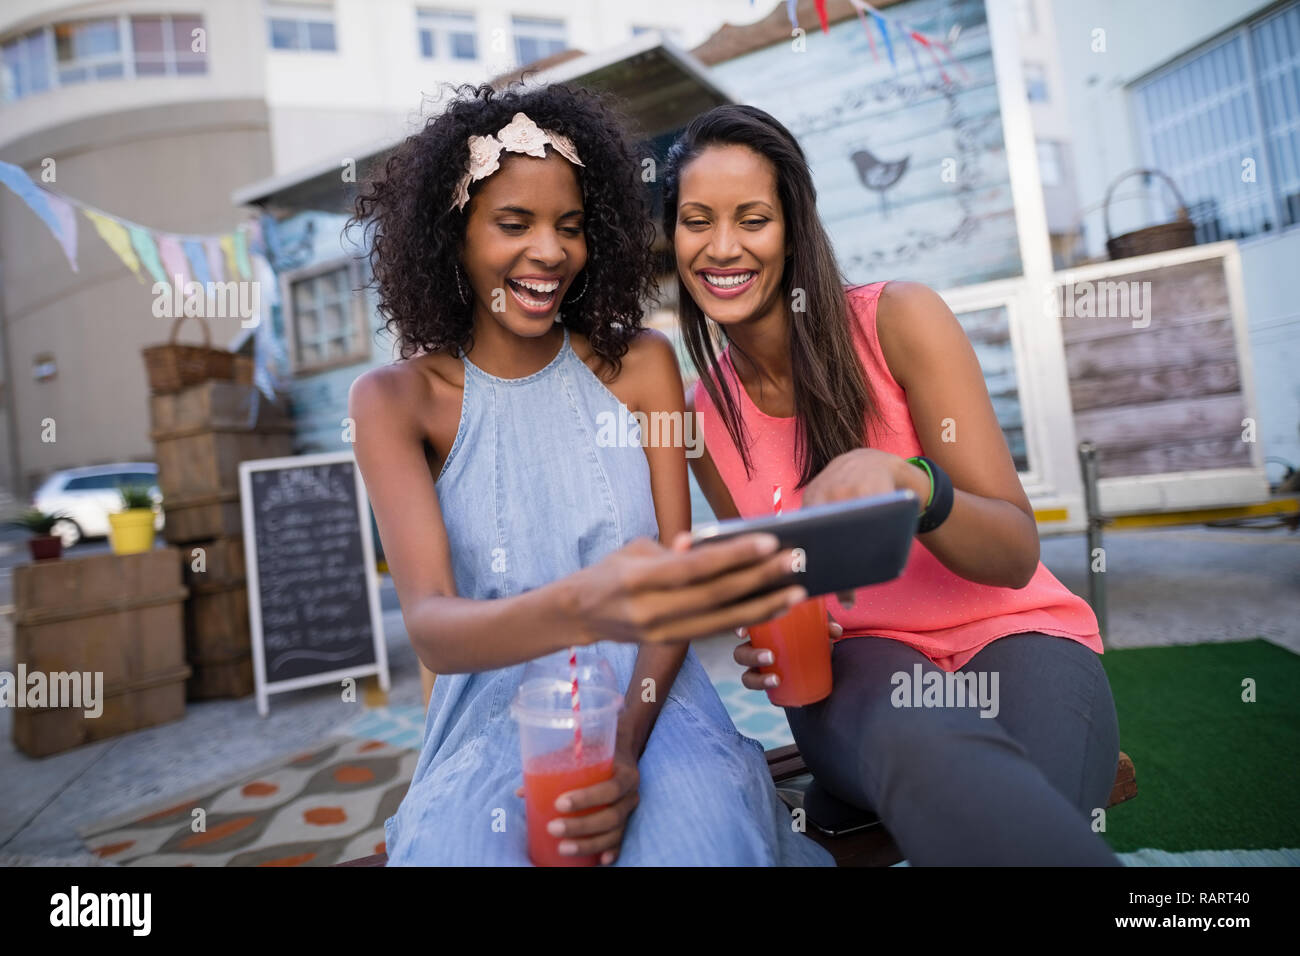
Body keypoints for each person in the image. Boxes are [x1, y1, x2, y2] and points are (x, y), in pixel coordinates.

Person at [346, 83, 834, 866]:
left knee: (698, 849)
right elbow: (433, 624)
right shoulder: (395, 401)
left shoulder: (641, 365)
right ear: (453, 234)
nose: (550, 252)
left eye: (569, 227)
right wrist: (584, 603)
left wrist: (627, 751)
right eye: (514, 223)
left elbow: (671, 602)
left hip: (653, 700)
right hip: (493, 717)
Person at [664, 104, 1122, 866]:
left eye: (753, 218)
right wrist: (768, 633)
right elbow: (783, 588)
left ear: (794, 225)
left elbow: (1013, 553)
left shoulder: (900, 320)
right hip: (860, 670)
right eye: (696, 220)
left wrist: (914, 485)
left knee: (1020, 799)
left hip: (1021, 637)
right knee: (928, 742)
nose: (722, 246)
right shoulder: (702, 415)